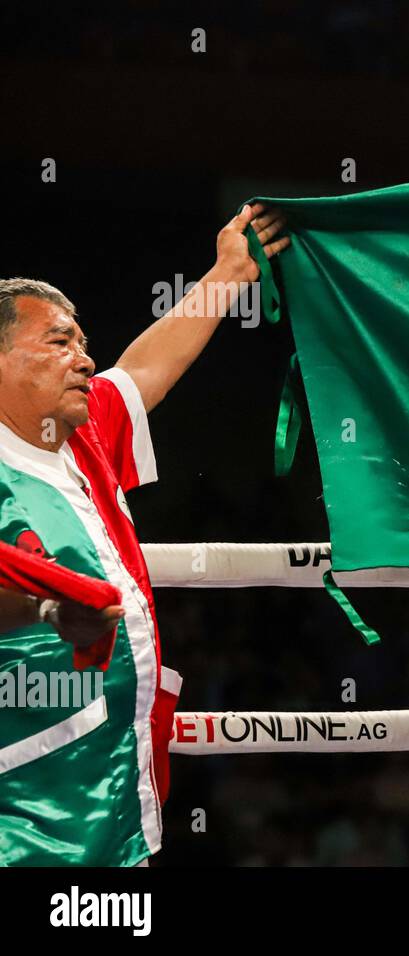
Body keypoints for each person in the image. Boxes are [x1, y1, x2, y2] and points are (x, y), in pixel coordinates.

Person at [0, 205, 289, 865]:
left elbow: (145, 369)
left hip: (117, 781)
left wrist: (228, 274)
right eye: (59, 342)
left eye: (82, 342)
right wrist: (44, 610)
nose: (84, 358)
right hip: (23, 793)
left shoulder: (84, 433)